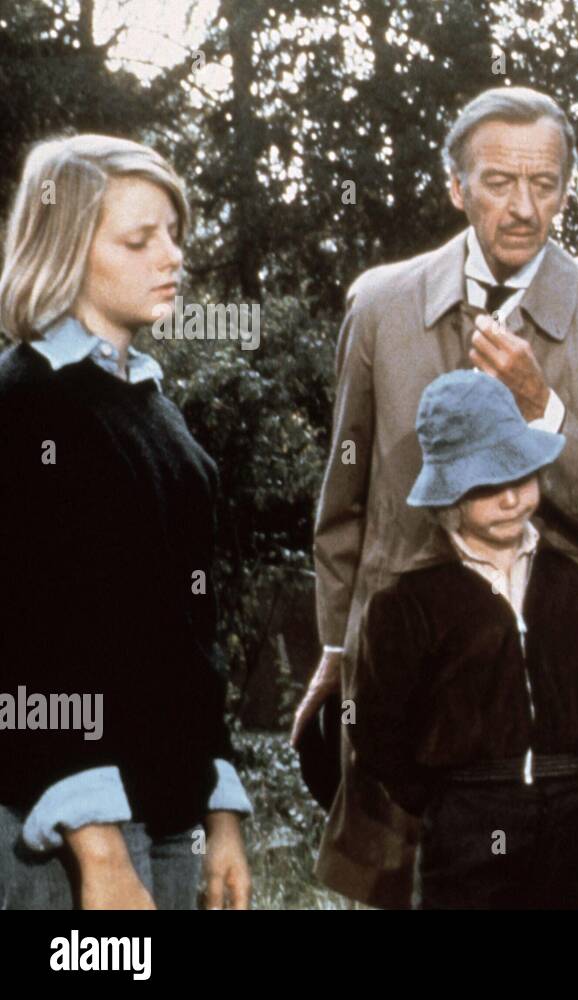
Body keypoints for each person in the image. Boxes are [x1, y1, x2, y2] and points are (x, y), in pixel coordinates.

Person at [293, 86, 578, 909]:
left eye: (546, 184)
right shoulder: (381, 306)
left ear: (568, 189)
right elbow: (345, 501)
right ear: (456, 186)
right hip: (406, 693)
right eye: (499, 182)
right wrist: (335, 646)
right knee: (405, 892)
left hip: (545, 718)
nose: (525, 207)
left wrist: (544, 410)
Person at [0, 134, 251, 909]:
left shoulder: (160, 417)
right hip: (60, 842)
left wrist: (221, 812)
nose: (170, 256)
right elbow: (27, 648)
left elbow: (188, 640)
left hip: (171, 821)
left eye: (174, 233)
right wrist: (101, 853)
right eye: (139, 239)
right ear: (68, 248)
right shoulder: (25, 406)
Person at [350, 370, 578, 909]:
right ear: (449, 492)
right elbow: (378, 732)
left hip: (566, 806)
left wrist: (568, 782)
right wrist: (449, 800)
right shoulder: (409, 601)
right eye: (489, 484)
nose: (513, 497)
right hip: (468, 818)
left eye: (521, 473)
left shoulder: (567, 582)